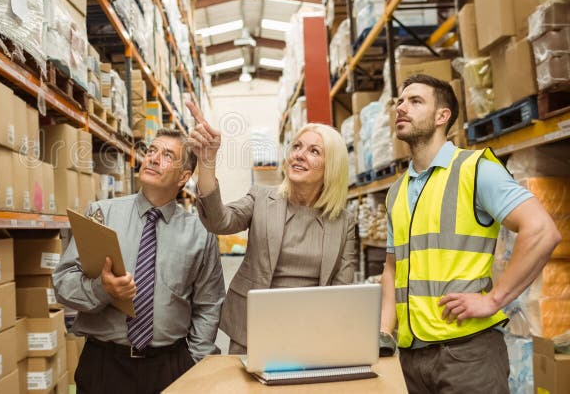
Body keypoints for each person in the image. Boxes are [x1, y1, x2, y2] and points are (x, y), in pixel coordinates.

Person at [380, 74, 561, 393]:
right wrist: (384, 335)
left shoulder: (475, 169)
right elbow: (392, 268)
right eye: (400, 101)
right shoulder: (396, 192)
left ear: (442, 116)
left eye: (415, 101)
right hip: (411, 359)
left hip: (466, 355)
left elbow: (542, 230)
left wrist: (494, 300)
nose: (402, 108)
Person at [53, 128, 225, 394]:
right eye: (151, 150)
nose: (153, 158)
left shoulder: (200, 233)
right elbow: (63, 284)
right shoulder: (102, 214)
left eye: (167, 155)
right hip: (105, 366)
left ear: (184, 177)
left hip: (170, 367)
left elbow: (209, 304)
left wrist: (194, 360)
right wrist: (102, 289)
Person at [185, 101, 357, 354]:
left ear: (332, 166)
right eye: (296, 146)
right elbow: (218, 221)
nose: (299, 154)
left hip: (312, 330)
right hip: (253, 327)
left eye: (314, 151)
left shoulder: (344, 222)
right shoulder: (261, 198)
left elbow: (342, 288)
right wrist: (207, 162)